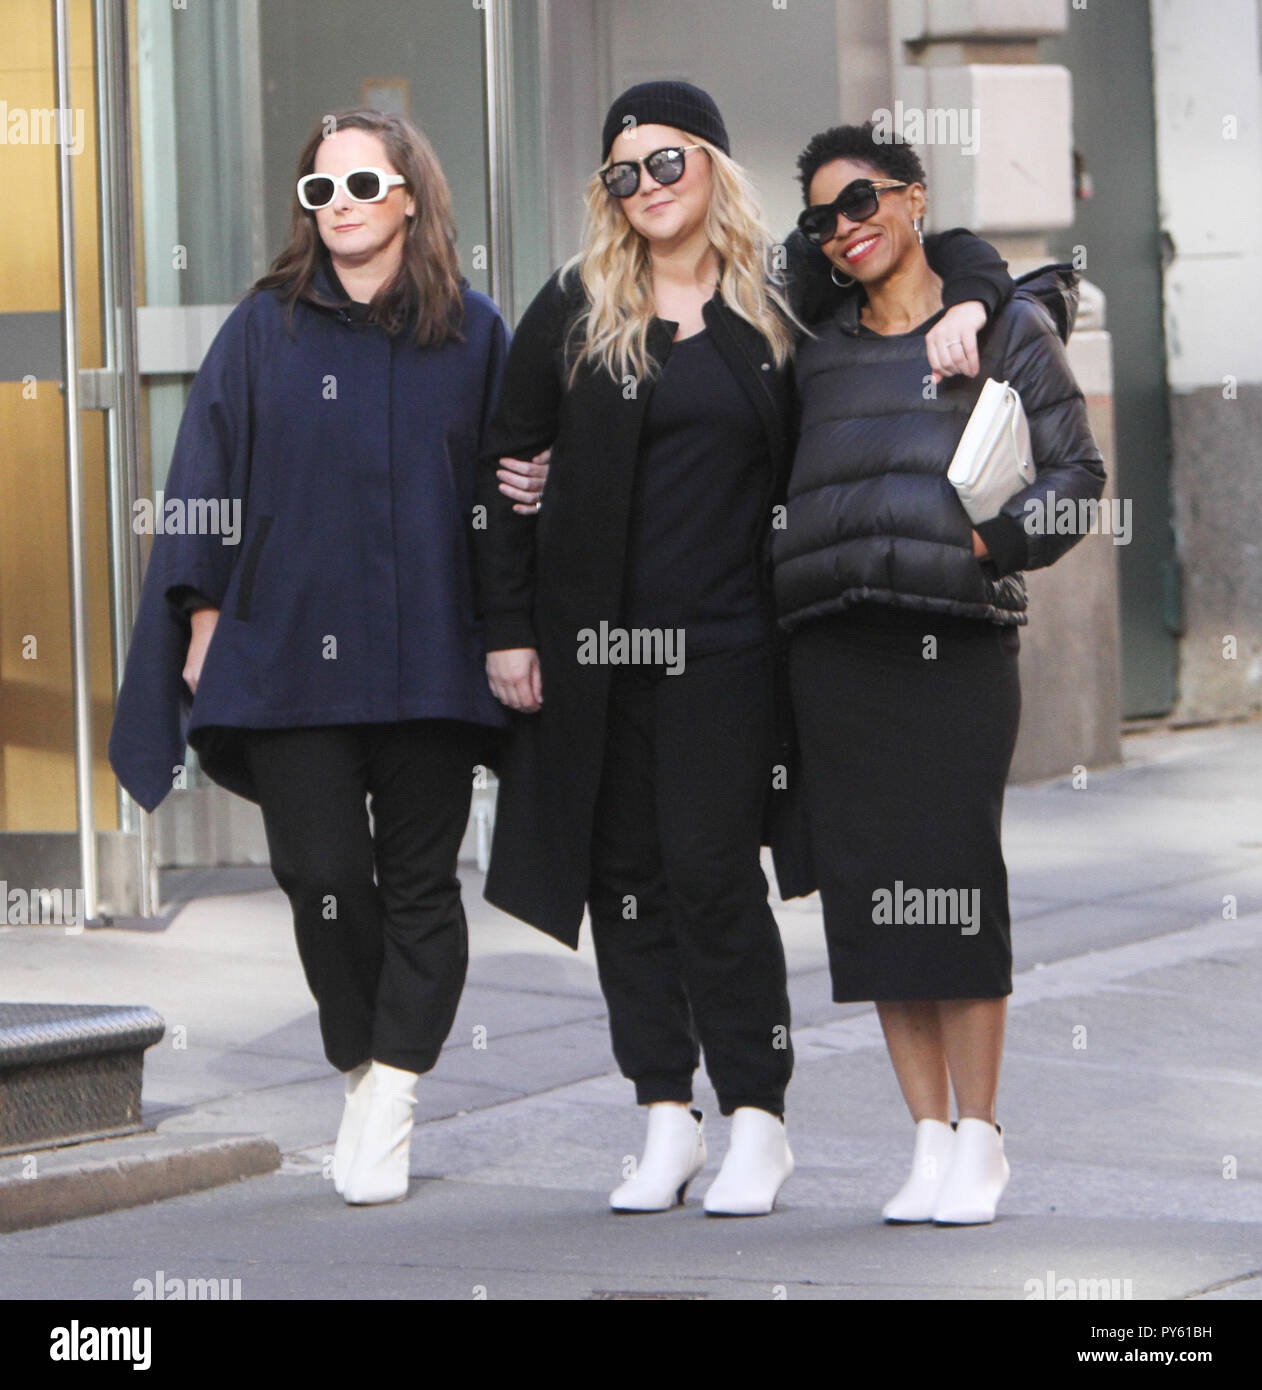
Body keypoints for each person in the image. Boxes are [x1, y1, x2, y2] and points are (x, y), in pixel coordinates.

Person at [474, 81, 1014, 1217]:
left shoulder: (783, 294)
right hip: (595, 650)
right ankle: (664, 1118)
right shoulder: (573, 305)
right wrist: (510, 631)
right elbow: (503, 468)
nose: (646, 188)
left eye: (666, 162)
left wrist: (970, 296)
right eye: (622, 173)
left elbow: (931, 245)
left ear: (712, 165)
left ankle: (756, 1121)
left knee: (711, 874)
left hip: (730, 646)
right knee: (621, 882)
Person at [109, 109, 543, 1207]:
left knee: (419, 886)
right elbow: (202, 468)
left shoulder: (473, 330)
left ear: (408, 198)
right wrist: (200, 621)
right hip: (289, 655)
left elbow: (507, 490)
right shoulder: (265, 329)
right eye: (321, 191)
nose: (340, 205)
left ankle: (390, 1089)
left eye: (362, 185)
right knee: (320, 877)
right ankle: (362, 1061)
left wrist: (511, 620)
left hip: (429, 663)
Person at [773, 121, 1106, 1225]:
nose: (845, 228)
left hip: (953, 650)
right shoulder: (814, 348)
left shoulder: (998, 325)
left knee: (953, 886)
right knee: (871, 902)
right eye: (824, 217)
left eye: (864, 201)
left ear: (914, 199)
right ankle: (923, 1137)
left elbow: (1076, 471)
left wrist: (989, 543)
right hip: (833, 649)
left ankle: (980, 1136)